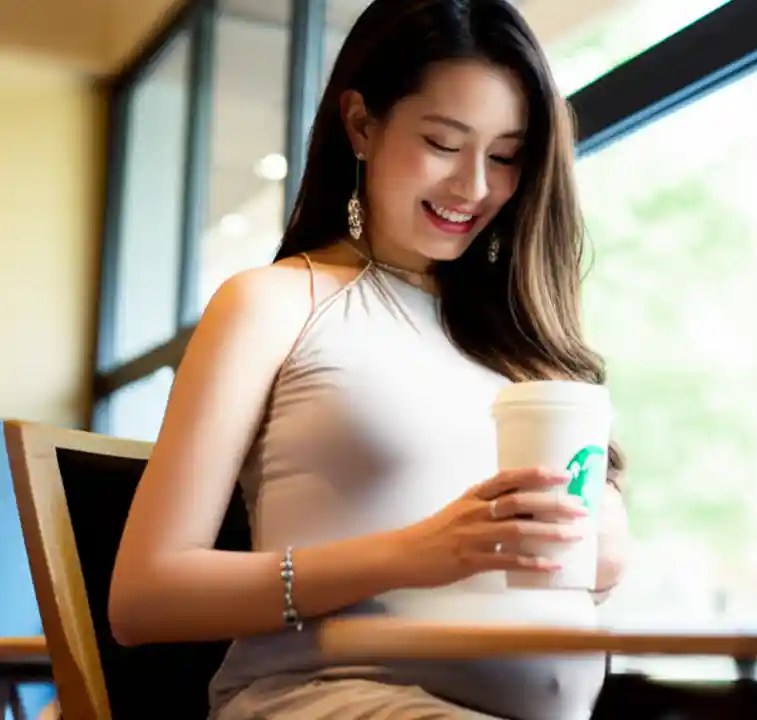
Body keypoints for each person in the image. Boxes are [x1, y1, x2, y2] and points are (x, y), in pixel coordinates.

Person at [107, 1, 630, 718]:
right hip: (329, 698)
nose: (474, 187)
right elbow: (142, 599)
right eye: (444, 143)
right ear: (360, 124)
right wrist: (414, 553)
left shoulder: (518, 344)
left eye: (505, 156)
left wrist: (606, 555)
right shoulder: (274, 303)